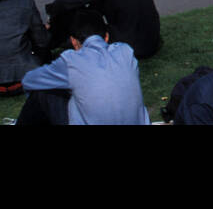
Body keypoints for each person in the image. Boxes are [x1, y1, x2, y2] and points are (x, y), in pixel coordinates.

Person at [18, 10, 149, 125]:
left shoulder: (71, 61)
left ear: (74, 41)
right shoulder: (126, 52)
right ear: (107, 37)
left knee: (42, 93)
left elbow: (29, 80)